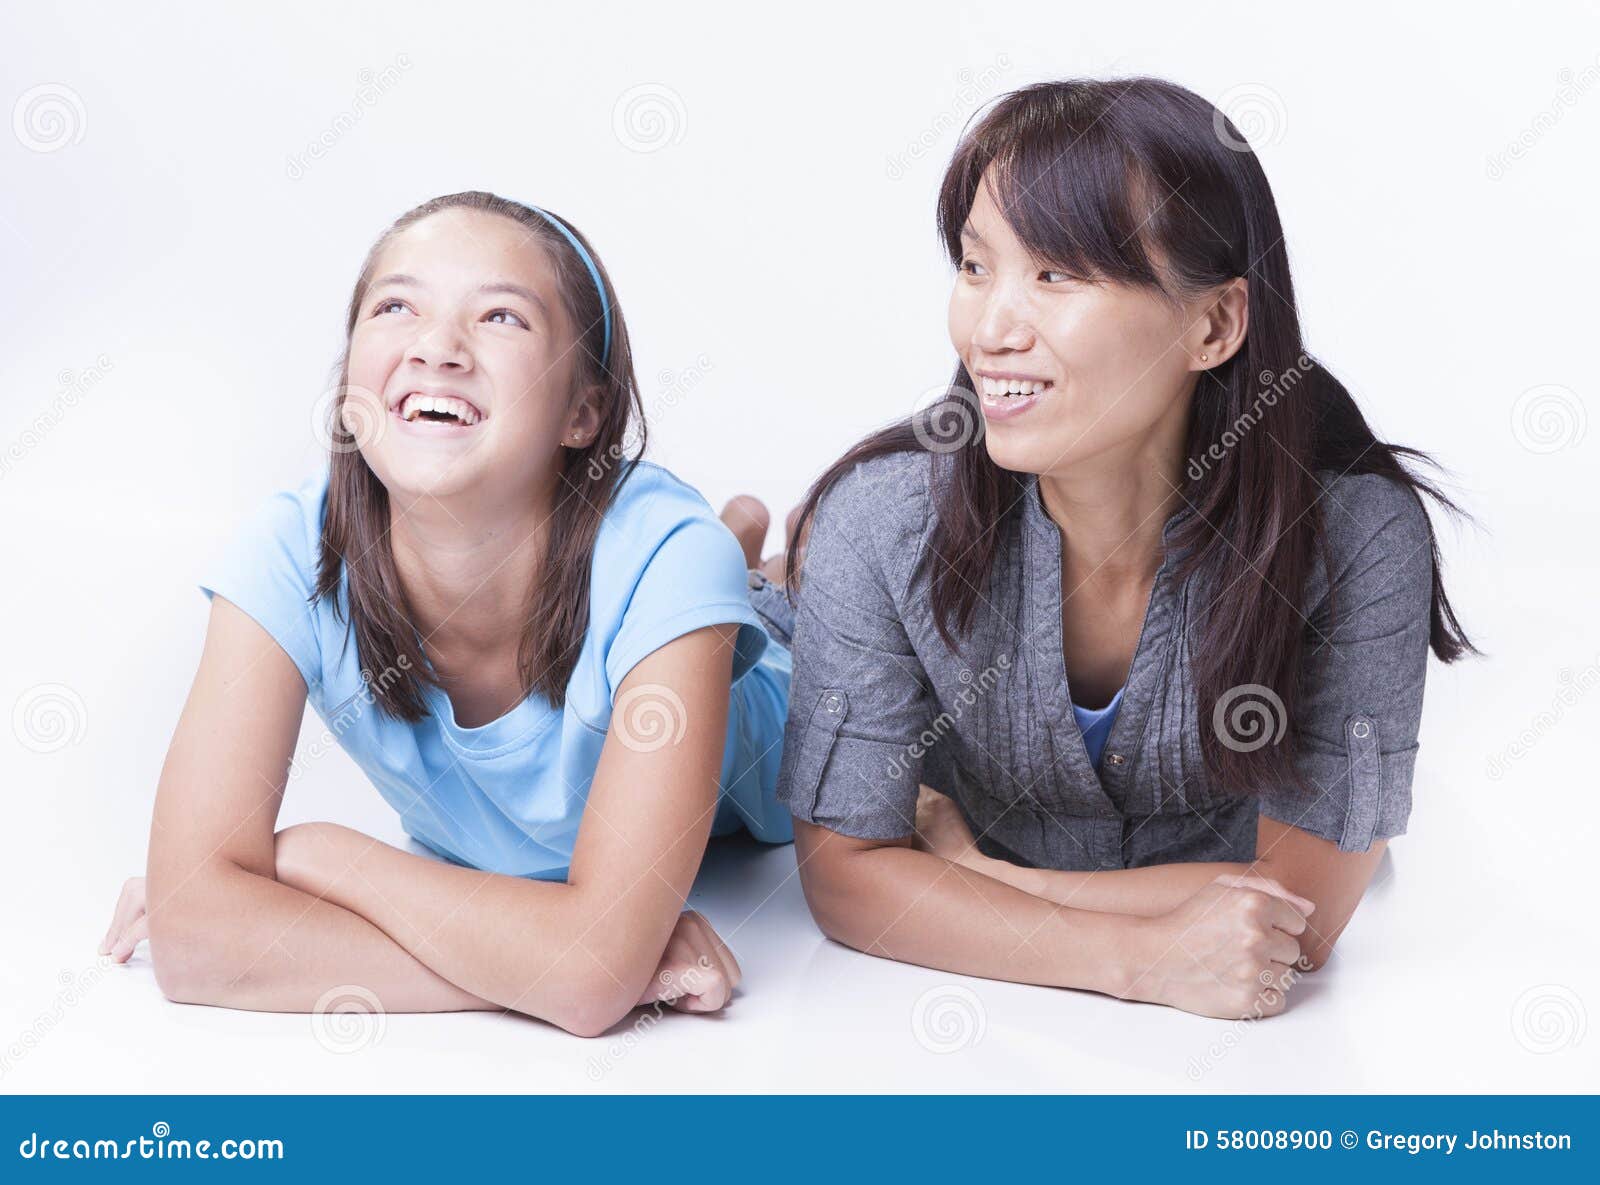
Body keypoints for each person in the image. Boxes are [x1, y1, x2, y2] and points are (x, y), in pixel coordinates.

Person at [773, 78, 1475, 1021]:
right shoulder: (881, 518)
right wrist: (1136, 956)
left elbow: (1296, 919)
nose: (991, 329)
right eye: (977, 267)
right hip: (787, 640)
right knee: (747, 660)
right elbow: (847, 881)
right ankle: (764, 561)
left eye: (1057, 275)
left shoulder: (1361, 539)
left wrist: (965, 874)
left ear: (1215, 324)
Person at [98, 191, 793, 1037]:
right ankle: (746, 546)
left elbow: (589, 980)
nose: (437, 346)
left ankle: (752, 562)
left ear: (585, 412)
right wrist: (552, 962)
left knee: (747, 590)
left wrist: (319, 854)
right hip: (652, 618)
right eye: (397, 306)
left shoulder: (665, 562)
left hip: (772, 708)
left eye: (501, 316)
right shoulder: (289, 547)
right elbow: (196, 942)